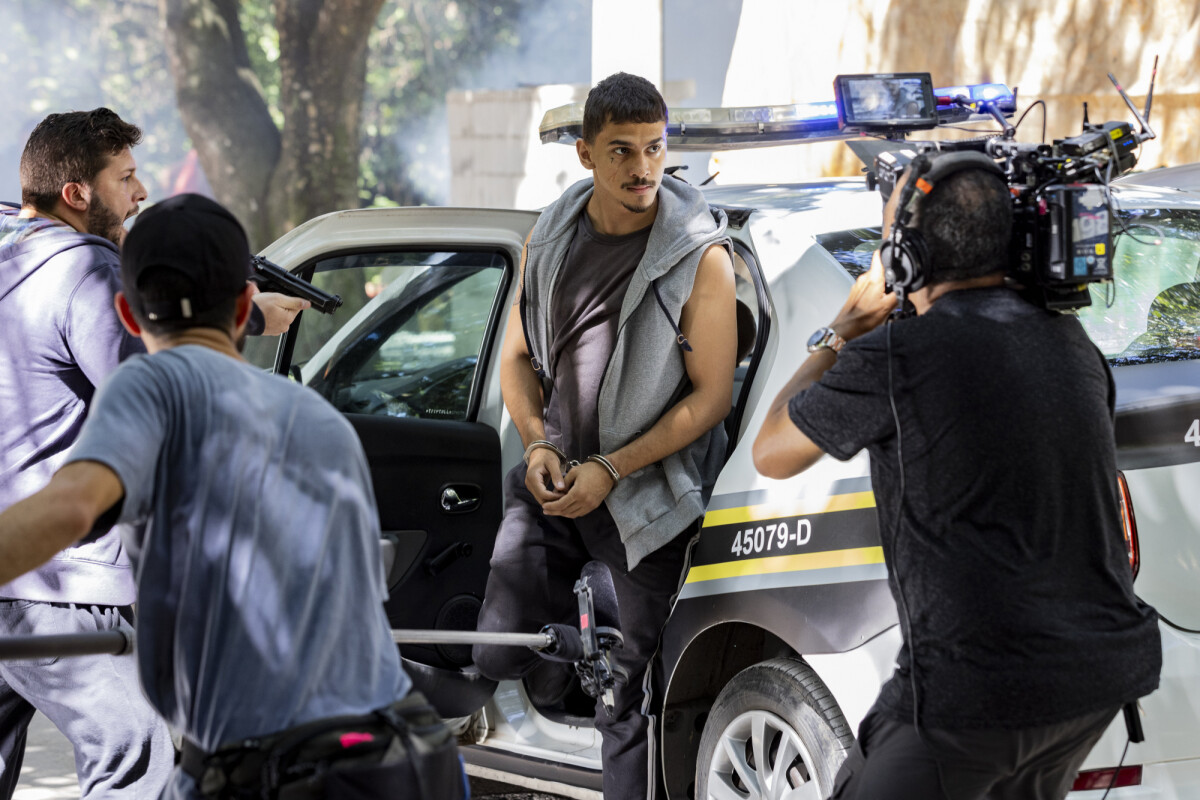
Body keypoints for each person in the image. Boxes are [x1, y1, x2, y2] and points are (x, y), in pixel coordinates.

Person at [0, 193, 467, 799]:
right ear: (247, 304)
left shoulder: (151, 382)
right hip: (410, 752)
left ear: (127, 314)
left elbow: (70, 508)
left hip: (275, 768)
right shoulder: (320, 420)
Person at [752, 152, 1162, 800]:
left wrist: (841, 331)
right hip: (1100, 675)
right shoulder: (1072, 346)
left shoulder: (894, 357)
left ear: (908, 255)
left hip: (975, 695)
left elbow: (772, 451)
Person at [0, 108, 307, 798]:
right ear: (77, 192)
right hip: (65, 585)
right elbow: (150, 388)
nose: (140, 194)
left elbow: (131, 331)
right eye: (126, 178)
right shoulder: (85, 265)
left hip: (12, 565)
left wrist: (253, 314)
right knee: (133, 762)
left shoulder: (13, 261)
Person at [471, 72, 737, 800]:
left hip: (643, 498)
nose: (643, 168)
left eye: (654, 148)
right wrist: (536, 443)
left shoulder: (699, 257)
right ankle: (577, 644)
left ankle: (606, 671)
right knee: (498, 650)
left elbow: (712, 397)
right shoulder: (551, 236)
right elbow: (518, 360)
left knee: (625, 699)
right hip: (553, 478)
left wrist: (612, 470)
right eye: (622, 151)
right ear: (587, 154)